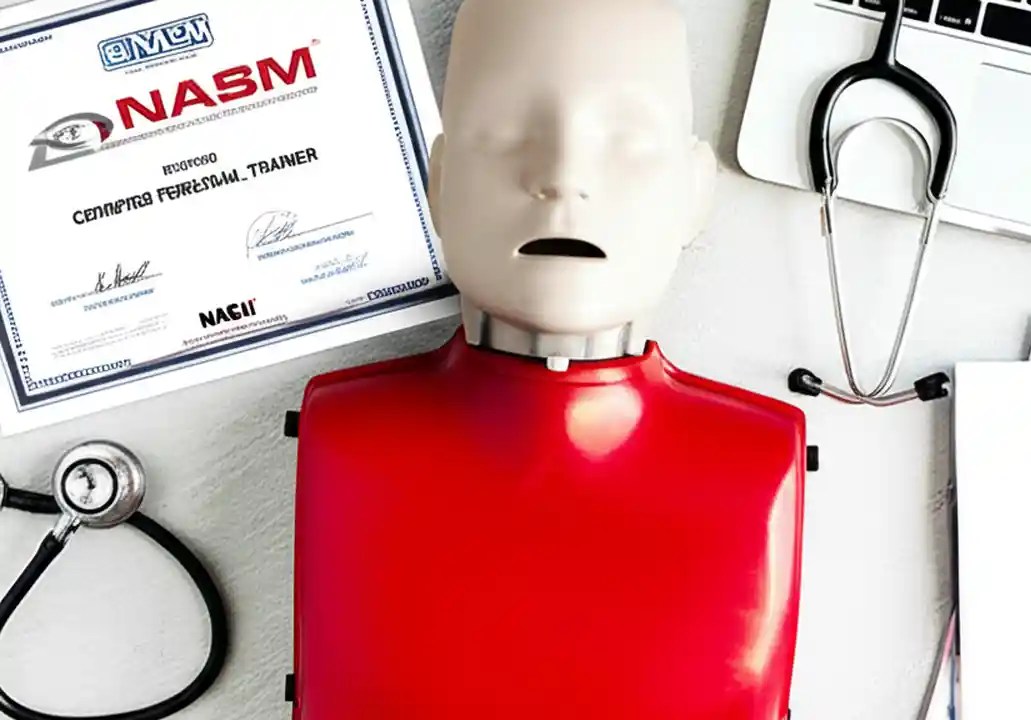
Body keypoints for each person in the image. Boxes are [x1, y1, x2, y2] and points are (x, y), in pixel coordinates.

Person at [290, 1, 807, 716]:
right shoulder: (352, 437)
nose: (562, 177)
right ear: (439, 183)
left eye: (626, 139)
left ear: (696, 191)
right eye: (505, 133)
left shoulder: (755, 458)